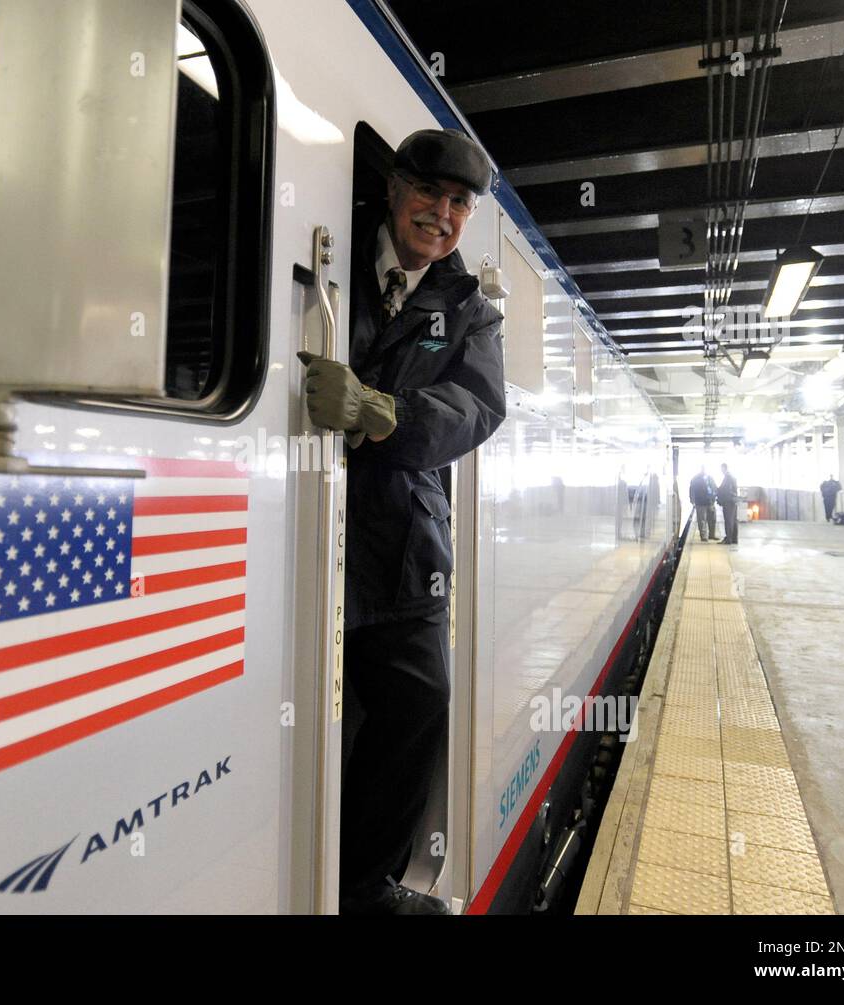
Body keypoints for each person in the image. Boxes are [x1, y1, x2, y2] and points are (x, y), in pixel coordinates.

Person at [299, 128, 506, 915]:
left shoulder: (469, 311)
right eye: (429, 193)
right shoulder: (324, 254)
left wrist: (382, 413)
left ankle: (361, 887)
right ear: (393, 190)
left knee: (420, 699)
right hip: (307, 528)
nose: (443, 215)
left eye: (459, 205)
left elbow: (477, 408)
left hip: (404, 544)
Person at [687, 465, 719, 542]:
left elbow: (714, 487)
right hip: (700, 502)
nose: (704, 470)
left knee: (712, 519)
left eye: (705, 469)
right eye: (703, 469)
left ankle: (712, 535)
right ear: (700, 469)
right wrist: (692, 501)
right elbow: (691, 490)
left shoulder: (710, 478)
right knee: (702, 520)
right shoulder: (695, 479)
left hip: (710, 502)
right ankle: (704, 536)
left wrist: (715, 496)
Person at [717, 463, 740, 544]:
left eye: (721, 469)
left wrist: (718, 492)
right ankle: (734, 539)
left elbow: (726, 490)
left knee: (728, 520)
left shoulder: (728, 477)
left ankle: (728, 539)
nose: (721, 470)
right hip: (733, 501)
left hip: (728, 502)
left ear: (724, 468)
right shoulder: (732, 477)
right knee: (733, 520)